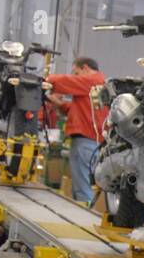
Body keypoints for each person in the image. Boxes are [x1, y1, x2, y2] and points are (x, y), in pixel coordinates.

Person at [43, 57, 108, 203]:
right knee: (83, 184)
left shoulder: (92, 81)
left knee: (82, 187)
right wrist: (59, 104)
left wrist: (46, 81)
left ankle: (85, 213)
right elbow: (80, 110)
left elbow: (65, 81)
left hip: (85, 141)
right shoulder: (99, 85)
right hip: (94, 142)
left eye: (76, 73)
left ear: (85, 68)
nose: (75, 76)